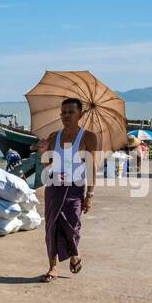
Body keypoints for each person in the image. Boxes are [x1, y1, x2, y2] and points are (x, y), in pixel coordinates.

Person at [35, 96, 98, 282]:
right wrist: (42, 152)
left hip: (75, 188)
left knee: (72, 225)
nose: (66, 116)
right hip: (54, 187)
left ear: (80, 114)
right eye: (63, 112)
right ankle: (52, 267)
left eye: (71, 112)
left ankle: (73, 253)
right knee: (52, 226)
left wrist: (90, 194)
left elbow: (91, 166)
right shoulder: (55, 136)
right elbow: (48, 165)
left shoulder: (88, 137)